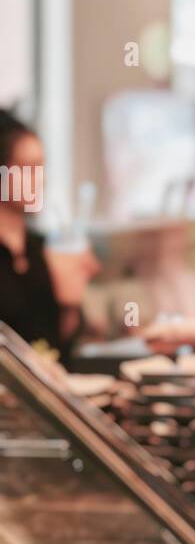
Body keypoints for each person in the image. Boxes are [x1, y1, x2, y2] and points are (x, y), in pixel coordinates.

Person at [0, 109, 98, 362]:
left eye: (41, 167)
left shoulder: (43, 249)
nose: (39, 179)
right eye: (27, 167)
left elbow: (58, 350)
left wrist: (69, 302)